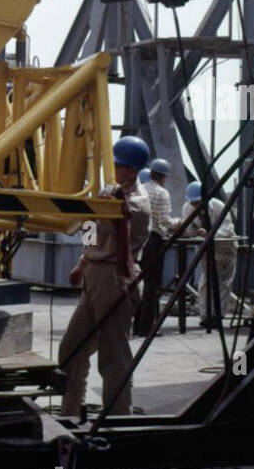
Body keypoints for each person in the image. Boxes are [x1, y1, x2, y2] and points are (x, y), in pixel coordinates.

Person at [59, 135, 152, 417]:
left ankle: (117, 418)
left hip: (116, 278)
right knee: (71, 351)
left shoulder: (136, 203)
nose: (112, 170)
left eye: (117, 166)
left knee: (113, 358)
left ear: (132, 171)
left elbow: (115, 219)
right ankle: (72, 411)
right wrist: (83, 262)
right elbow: (91, 229)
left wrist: (97, 205)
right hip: (94, 276)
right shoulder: (110, 194)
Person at [180, 180, 237, 328]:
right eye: (193, 203)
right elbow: (188, 229)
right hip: (206, 248)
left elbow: (228, 228)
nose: (195, 206)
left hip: (224, 248)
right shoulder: (188, 207)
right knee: (205, 282)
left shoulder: (218, 206)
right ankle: (205, 316)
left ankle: (217, 316)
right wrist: (194, 232)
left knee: (222, 283)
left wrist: (210, 233)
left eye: (198, 202)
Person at [134, 157, 175, 336]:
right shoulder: (162, 193)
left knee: (139, 281)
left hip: (139, 240)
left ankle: (135, 325)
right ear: (163, 176)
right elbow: (165, 221)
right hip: (154, 241)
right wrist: (179, 223)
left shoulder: (140, 188)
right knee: (152, 286)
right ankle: (146, 328)